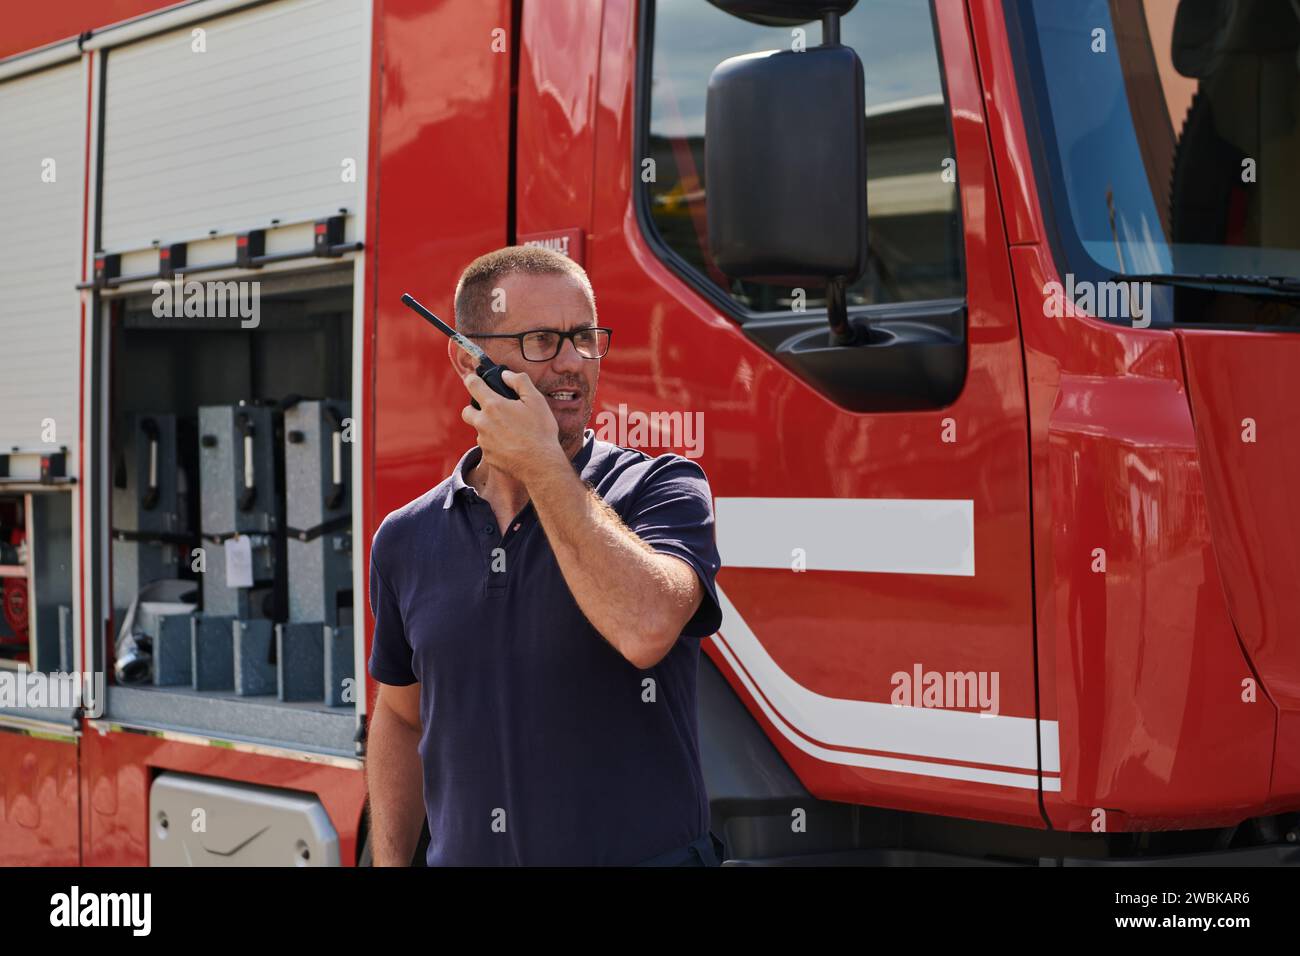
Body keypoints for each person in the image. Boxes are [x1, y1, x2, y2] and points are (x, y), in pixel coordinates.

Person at [364, 245, 724, 866]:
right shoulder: (405, 539)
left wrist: (541, 465)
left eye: (585, 338)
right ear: (466, 358)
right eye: (541, 341)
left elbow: (646, 627)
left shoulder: (661, 489)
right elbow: (400, 717)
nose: (572, 364)